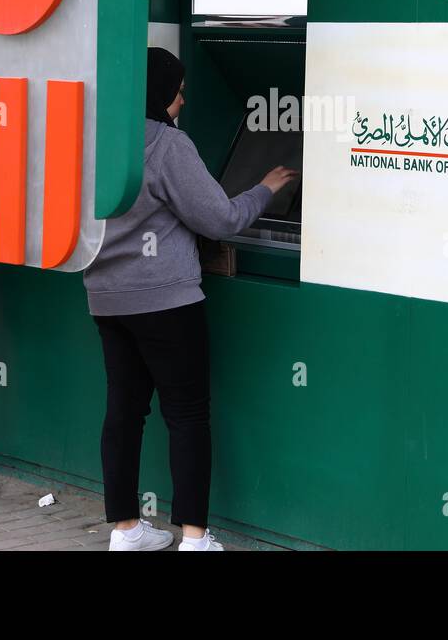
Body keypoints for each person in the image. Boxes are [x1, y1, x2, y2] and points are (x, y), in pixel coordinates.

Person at [83, 48, 297, 551]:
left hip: (107, 298)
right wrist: (265, 189)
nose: (182, 101)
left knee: (123, 411)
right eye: (177, 91)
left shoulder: (95, 138)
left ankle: (126, 530)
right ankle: (196, 538)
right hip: (166, 302)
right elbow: (221, 219)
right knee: (186, 414)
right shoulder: (166, 144)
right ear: (159, 92)